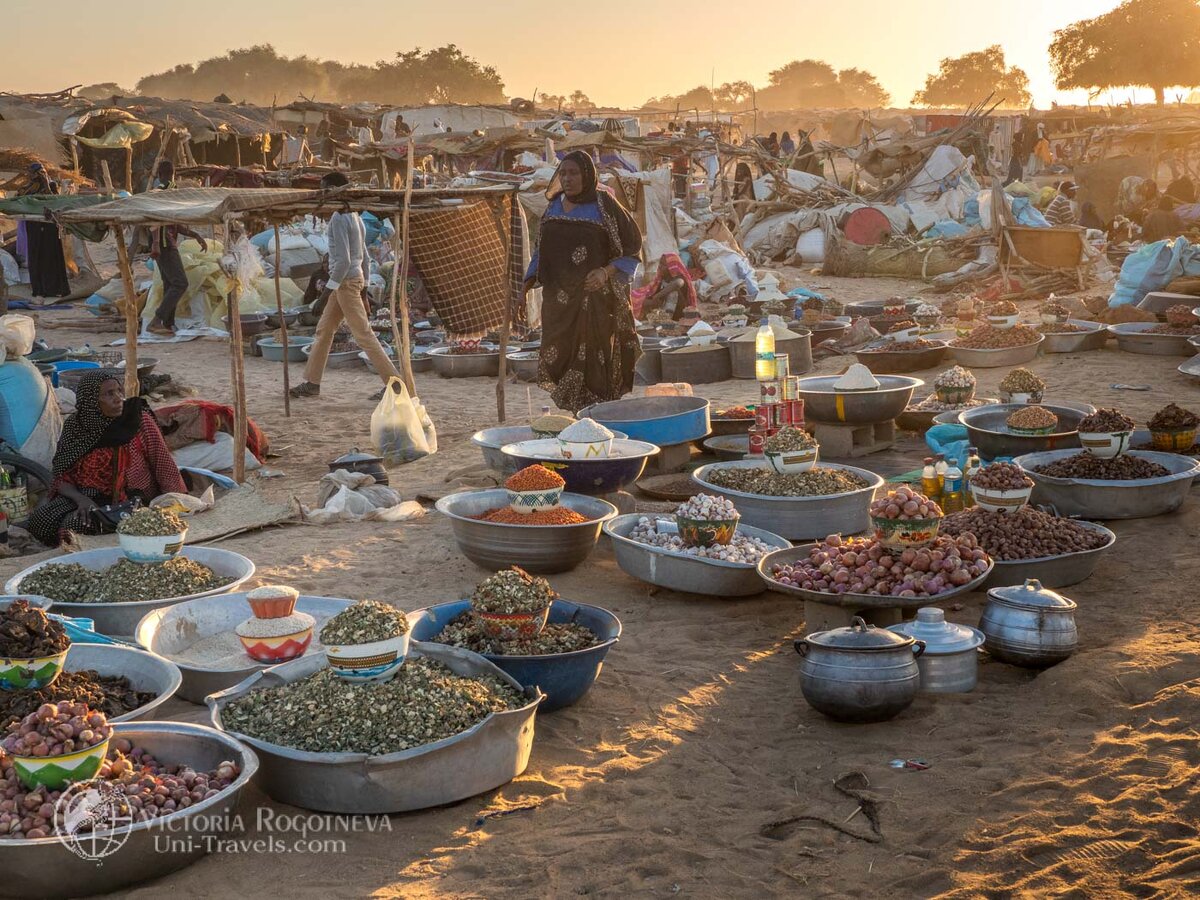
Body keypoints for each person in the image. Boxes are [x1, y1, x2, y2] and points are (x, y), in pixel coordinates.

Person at [523, 150, 642, 413]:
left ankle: (598, 416)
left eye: (574, 173)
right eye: (563, 173)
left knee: (595, 362)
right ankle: (578, 417)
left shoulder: (604, 206)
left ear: (587, 175)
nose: (567, 179)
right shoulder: (553, 205)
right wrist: (527, 283)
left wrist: (606, 272)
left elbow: (633, 247)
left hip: (595, 299)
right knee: (560, 356)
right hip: (559, 302)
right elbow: (541, 249)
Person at [27, 371, 186, 547]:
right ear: (91, 400)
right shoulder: (76, 426)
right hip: (84, 495)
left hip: (128, 499)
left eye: (119, 391)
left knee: (73, 526)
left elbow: (163, 465)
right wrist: (81, 500)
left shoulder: (138, 421)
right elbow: (61, 475)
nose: (118, 398)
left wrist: (173, 505)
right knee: (40, 521)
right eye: (109, 394)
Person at [289, 172, 401, 400]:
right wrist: (365, 288)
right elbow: (366, 257)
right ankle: (312, 382)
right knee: (324, 330)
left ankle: (396, 385)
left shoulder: (339, 218)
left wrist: (323, 296)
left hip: (345, 283)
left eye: (324, 189)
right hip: (350, 283)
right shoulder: (355, 216)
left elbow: (343, 262)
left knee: (364, 335)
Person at [146, 162, 208, 335]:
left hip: (163, 242)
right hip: (165, 244)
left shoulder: (158, 191)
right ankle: (157, 320)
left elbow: (173, 223)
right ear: (173, 174)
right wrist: (157, 242)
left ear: (159, 174)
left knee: (170, 284)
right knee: (181, 283)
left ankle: (168, 322)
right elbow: (156, 219)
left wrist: (194, 235)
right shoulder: (170, 189)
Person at [18, 163, 70, 298]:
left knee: (51, 255)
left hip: (49, 226)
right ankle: (39, 289)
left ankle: (54, 289)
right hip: (33, 225)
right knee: (36, 256)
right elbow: (21, 201)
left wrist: (46, 183)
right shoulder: (27, 188)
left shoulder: (51, 185)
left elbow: (53, 200)